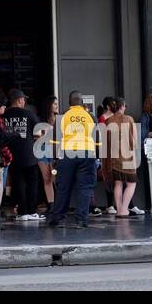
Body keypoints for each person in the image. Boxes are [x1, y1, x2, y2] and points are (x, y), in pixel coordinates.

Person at [47, 91, 98, 229]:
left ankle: (58, 219)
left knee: (63, 187)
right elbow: (97, 139)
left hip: (67, 154)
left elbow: (55, 140)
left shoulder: (62, 117)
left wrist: (54, 159)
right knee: (85, 188)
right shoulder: (90, 117)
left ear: (70, 103)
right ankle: (81, 220)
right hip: (87, 153)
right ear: (82, 102)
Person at [3, 90, 42, 220]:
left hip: (11, 155)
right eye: (24, 99)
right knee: (32, 182)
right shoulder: (28, 114)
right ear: (19, 100)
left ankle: (22, 212)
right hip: (28, 154)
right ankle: (31, 211)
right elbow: (39, 133)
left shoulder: (4, 114)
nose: (25, 102)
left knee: (17, 183)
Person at [103, 99, 140, 217]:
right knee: (131, 184)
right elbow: (134, 142)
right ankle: (124, 209)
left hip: (114, 159)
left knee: (118, 183)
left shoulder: (108, 121)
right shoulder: (129, 119)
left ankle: (119, 209)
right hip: (128, 158)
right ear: (123, 106)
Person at [37, 95, 59, 212]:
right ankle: (51, 205)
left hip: (56, 153)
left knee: (56, 178)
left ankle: (59, 205)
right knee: (47, 179)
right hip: (43, 153)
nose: (57, 106)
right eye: (55, 104)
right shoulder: (40, 120)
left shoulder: (60, 120)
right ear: (48, 105)